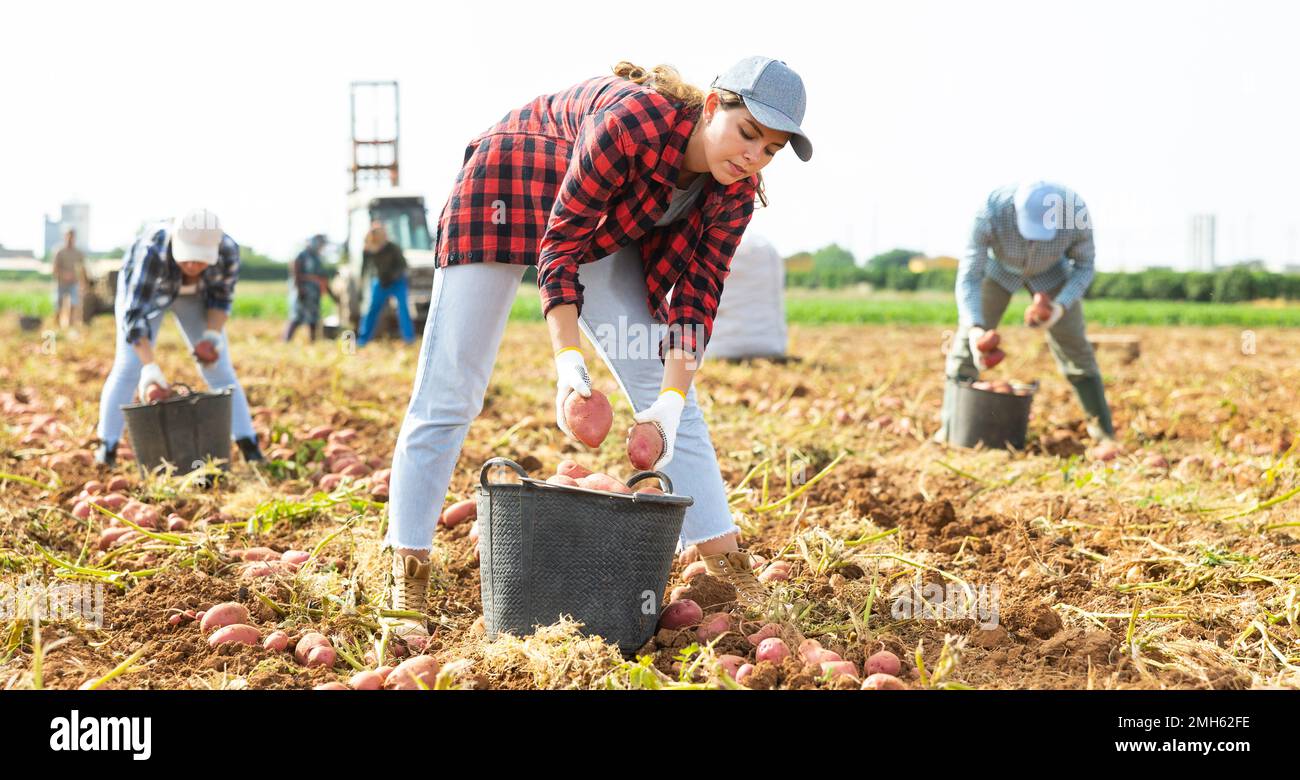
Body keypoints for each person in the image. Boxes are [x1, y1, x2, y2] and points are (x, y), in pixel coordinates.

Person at [382, 56, 813, 641]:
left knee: (668, 394)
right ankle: (406, 565)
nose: (753, 156)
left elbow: (697, 301)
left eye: (771, 149)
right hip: (506, 186)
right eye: (746, 133)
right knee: (452, 387)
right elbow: (558, 246)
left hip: (603, 227)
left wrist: (668, 403)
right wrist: (568, 366)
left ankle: (725, 563)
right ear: (713, 105)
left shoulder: (735, 191)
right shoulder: (631, 124)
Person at [939, 181, 1115, 444]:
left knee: (1076, 349)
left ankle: (1103, 432)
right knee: (966, 347)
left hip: (1053, 274)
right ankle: (950, 430)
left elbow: (1084, 265)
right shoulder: (991, 211)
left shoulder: (1075, 213)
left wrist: (1061, 306)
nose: (1033, 239)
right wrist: (975, 326)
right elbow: (970, 275)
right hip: (999, 271)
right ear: (1015, 212)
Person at [94, 208, 265, 467]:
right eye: (187, 259)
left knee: (219, 368)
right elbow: (135, 316)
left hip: (195, 298)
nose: (193, 266)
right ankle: (106, 450)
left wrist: (210, 337)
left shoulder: (228, 250)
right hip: (149, 297)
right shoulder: (153, 248)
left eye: (201, 260)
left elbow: (221, 299)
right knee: (129, 367)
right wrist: (150, 368)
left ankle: (249, 446)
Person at [357, 223, 414, 346]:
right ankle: (363, 339)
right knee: (372, 309)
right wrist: (360, 287)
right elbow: (364, 269)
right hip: (380, 282)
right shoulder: (367, 251)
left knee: (403, 308)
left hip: (397, 281)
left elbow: (403, 266)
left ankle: (409, 339)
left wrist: (392, 277)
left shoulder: (393, 248)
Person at [285, 234, 334, 342]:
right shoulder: (301, 256)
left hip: (314, 294)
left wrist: (332, 294)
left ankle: (313, 341)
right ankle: (286, 341)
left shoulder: (317, 257)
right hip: (303, 292)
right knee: (296, 317)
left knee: (313, 319)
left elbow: (323, 276)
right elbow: (296, 273)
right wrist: (299, 290)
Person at [52, 228, 87, 330]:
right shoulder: (59, 251)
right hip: (61, 283)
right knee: (58, 305)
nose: (70, 239)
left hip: (74, 283)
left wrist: (83, 282)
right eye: (68, 236)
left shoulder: (78, 253)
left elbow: (83, 269)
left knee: (74, 304)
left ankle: (70, 326)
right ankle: (57, 326)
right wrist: (64, 275)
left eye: (72, 236)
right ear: (65, 237)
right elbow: (54, 269)